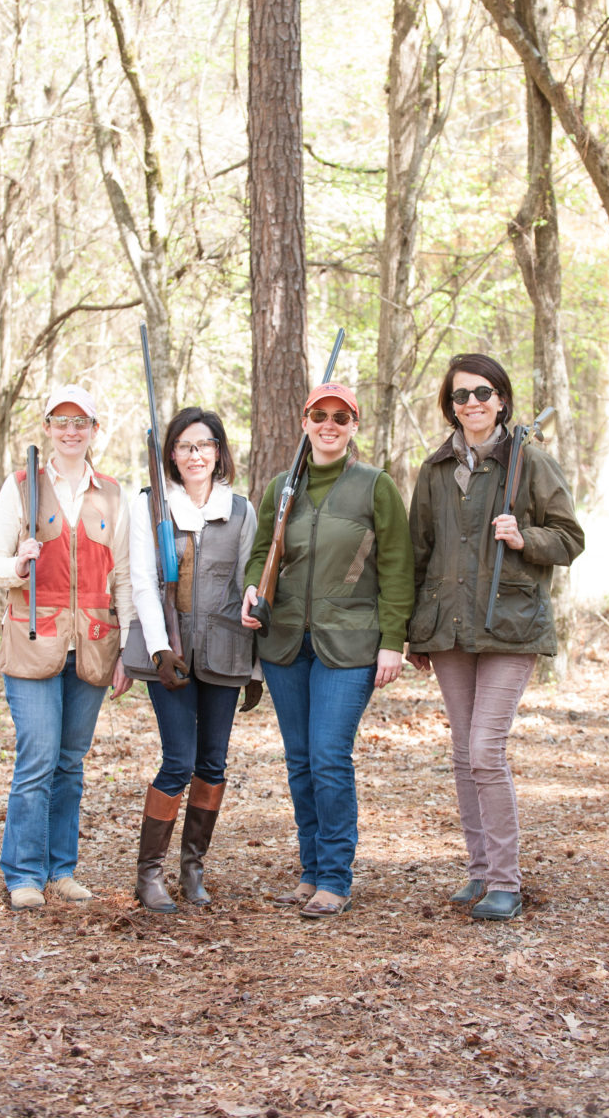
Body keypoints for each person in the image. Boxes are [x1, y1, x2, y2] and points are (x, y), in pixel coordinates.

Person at [407, 353, 584, 921]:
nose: (472, 403)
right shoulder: (435, 470)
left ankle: (506, 880)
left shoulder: (530, 462)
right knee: (464, 753)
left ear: (501, 399)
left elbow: (570, 538)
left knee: (487, 748)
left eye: (483, 392)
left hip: (509, 626)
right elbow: (418, 553)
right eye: (460, 395)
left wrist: (524, 536)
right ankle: (479, 872)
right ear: (450, 406)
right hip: (450, 628)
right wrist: (415, 632)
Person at [242, 382, 414, 920]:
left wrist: (392, 642)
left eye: (342, 416)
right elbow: (259, 556)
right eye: (320, 414)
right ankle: (311, 870)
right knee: (299, 761)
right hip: (286, 640)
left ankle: (336, 877)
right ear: (305, 420)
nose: (330, 424)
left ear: (354, 426)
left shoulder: (374, 486)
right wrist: (252, 589)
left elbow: (397, 568)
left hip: (350, 643)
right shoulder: (280, 489)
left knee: (329, 758)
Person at [0, 384, 133, 912]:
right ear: (47, 427)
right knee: (38, 758)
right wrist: (17, 565)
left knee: (70, 763)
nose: (71, 431)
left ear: (94, 430)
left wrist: (128, 650)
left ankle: (61, 870)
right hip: (33, 643)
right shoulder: (21, 485)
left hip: (92, 647)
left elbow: (123, 577)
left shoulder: (113, 494)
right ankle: (23, 874)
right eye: (61, 421)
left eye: (81, 423)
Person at [129, 406, 260, 913]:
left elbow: (251, 580)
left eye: (204, 445)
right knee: (178, 762)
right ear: (172, 455)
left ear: (219, 452)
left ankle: (193, 868)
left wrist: (254, 664)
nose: (195, 454)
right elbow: (142, 580)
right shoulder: (150, 506)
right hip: (171, 655)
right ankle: (149, 874)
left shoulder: (242, 510)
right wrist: (161, 648)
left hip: (226, 652)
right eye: (185, 446)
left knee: (213, 764)